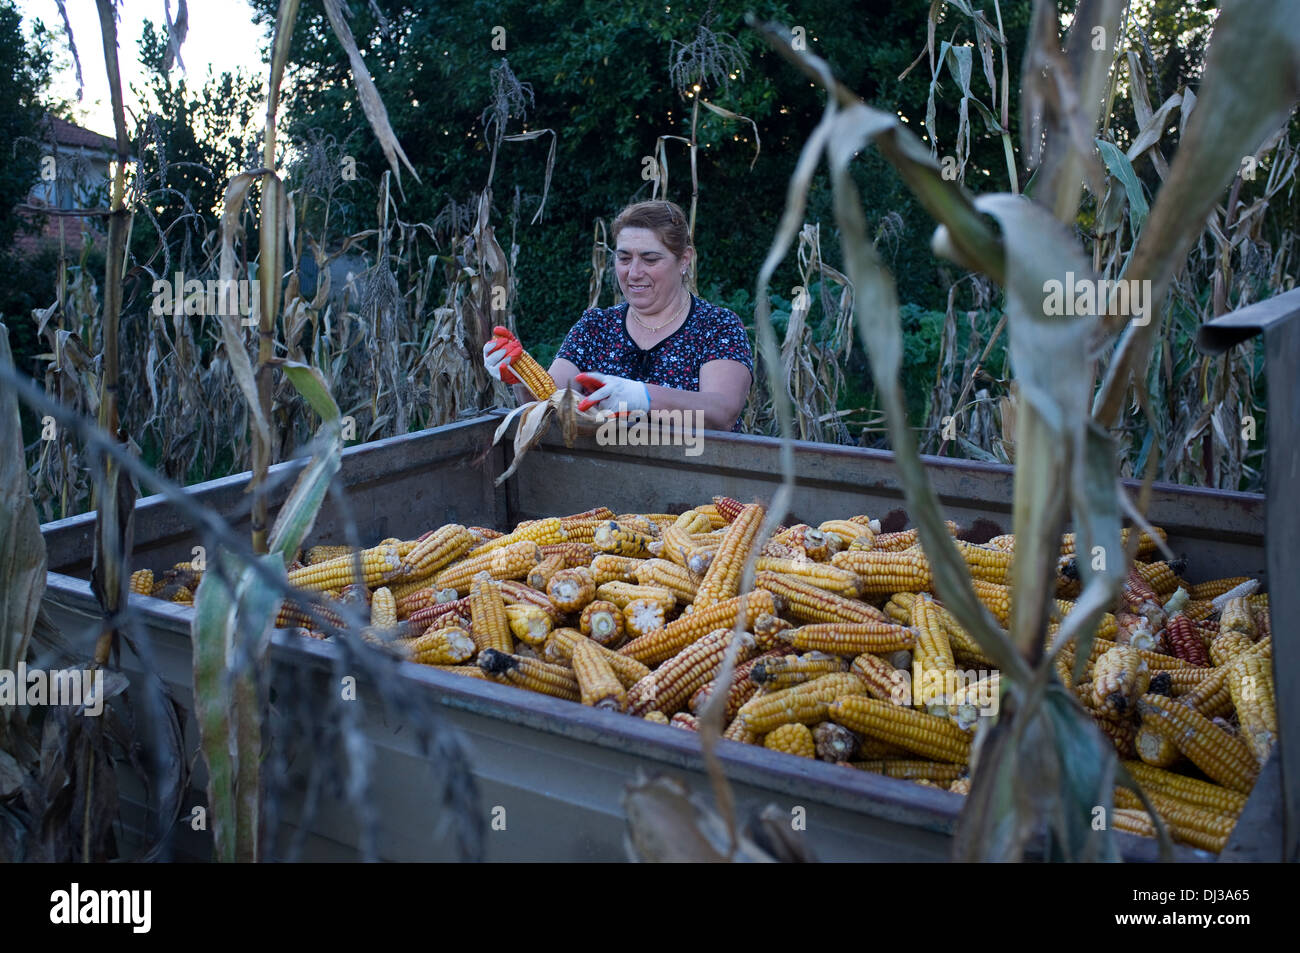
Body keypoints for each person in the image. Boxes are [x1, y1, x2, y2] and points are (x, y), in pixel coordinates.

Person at [483, 200, 753, 432]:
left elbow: (722, 412)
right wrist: (520, 375)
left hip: (696, 479)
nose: (634, 273)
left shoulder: (718, 327)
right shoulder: (595, 327)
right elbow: (551, 400)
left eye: (650, 259)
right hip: (605, 478)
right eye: (624, 258)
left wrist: (642, 396)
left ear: (684, 260)